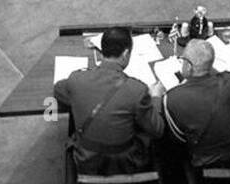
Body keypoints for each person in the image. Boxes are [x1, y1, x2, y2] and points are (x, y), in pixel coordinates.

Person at [53, 26, 164, 174]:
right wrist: (156, 97)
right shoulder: (137, 90)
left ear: (102, 50)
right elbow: (158, 130)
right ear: (125, 54)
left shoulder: (76, 80)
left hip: (86, 162)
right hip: (127, 164)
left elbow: (58, 90)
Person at [162, 39, 230, 168]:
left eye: (182, 59)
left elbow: (179, 139)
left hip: (204, 166)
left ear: (189, 67)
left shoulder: (172, 98)